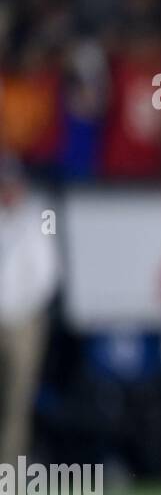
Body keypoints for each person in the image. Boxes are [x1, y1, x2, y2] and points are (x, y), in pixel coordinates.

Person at [0, 156, 59, 470]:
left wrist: (21, 310)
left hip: (24, 323)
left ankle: (7, 475)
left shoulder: (37, 221)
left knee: (17, 402)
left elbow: (46, 275)